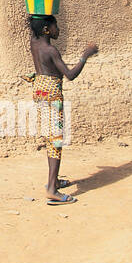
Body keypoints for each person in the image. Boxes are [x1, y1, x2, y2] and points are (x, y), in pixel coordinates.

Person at [26, 15, 98, 205]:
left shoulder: (34, 43)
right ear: (46, 30)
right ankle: (52, 189)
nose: (59, 30)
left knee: (51, 136)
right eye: (55, 26)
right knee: (56, 140)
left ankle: (54, 180)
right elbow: (70, 75)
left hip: (39, 91)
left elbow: (34, 20)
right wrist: (86, 55)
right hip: (51, 94)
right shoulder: (51, 50)